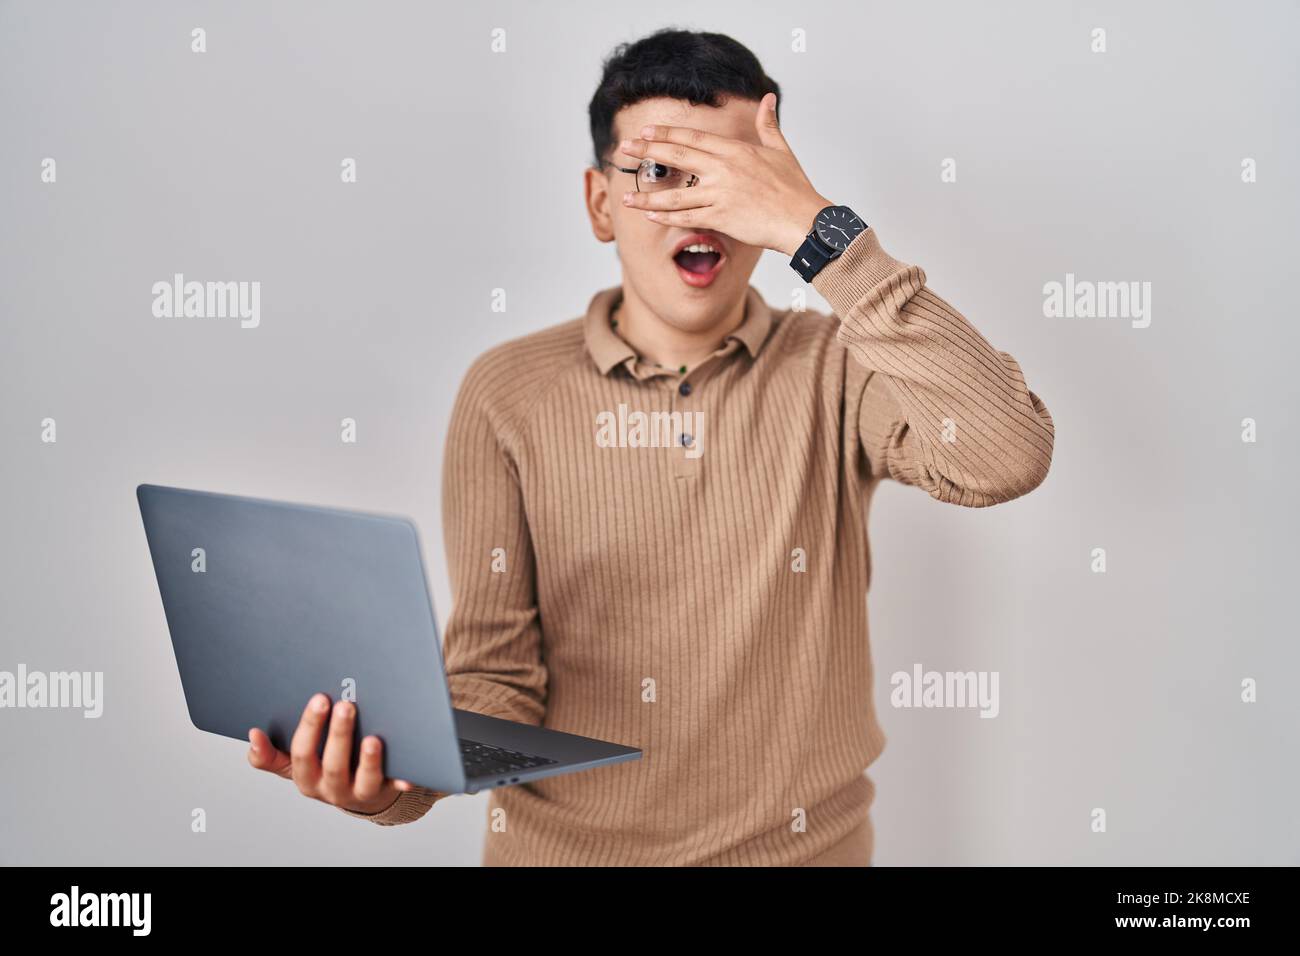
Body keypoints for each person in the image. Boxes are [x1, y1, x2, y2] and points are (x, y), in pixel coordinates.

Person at [248, 27, 1054, 866]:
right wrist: (394, 783)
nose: (697, 207)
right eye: (660, 173)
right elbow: (495, 677)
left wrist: (820, 234)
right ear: (600, 202)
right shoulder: (507, 391)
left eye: (732, 179)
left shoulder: (837, 365)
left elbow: (1007, 455)